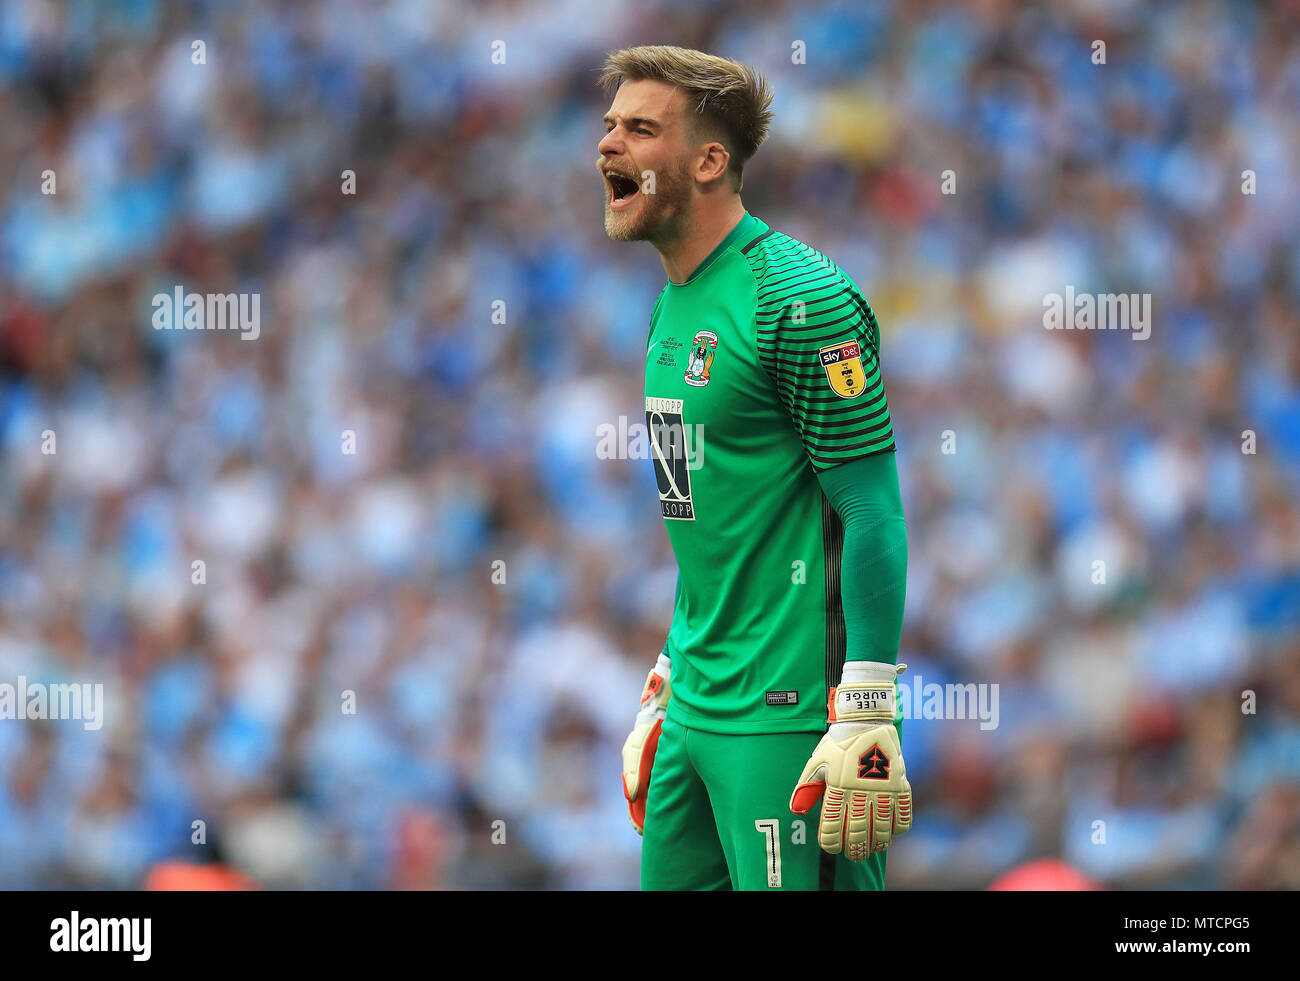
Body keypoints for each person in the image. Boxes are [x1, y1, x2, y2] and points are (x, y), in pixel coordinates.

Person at [600, 45, 911, 891]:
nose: (607, 146)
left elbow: (873, 509)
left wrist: (870, 702)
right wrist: (669, 668)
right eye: (609, 126)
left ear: (708, 160)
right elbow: (711, 518)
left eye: (639, 128)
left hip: (787, 715)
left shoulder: (800, 299)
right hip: (696, 703)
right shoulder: (674, 297)